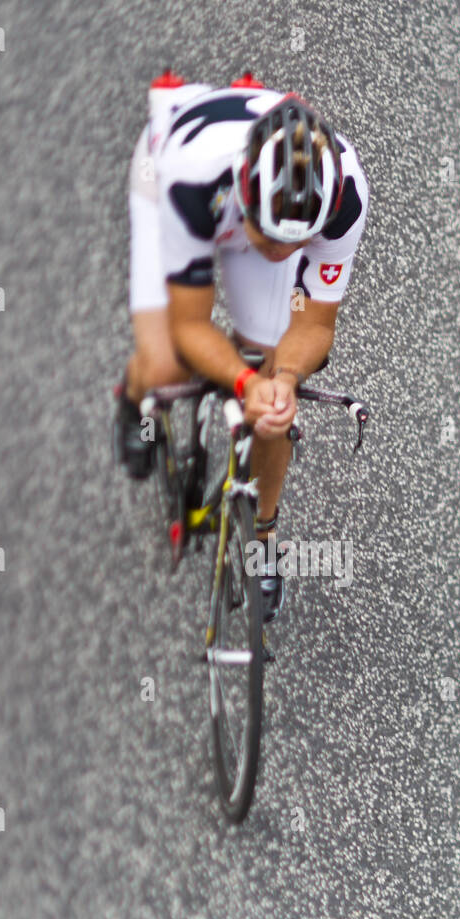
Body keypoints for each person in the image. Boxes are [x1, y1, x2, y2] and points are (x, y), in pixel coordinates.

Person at [116, 71, 369, 621]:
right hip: (173, 178)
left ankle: (264, 535)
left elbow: (315, 324)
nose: (280, 253)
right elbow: (190, 325)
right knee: (166, 366)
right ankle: (132, 395)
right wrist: (241, 381)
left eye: (296, 243)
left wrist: (280, 381)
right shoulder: (193, 178)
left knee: (276, 394)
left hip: (249, 203)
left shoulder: (345, 196)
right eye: (271, 238)